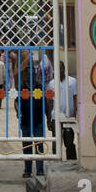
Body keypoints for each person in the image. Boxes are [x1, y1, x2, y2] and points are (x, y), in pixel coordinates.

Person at [15, 49, 48, 178]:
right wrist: (19, 113)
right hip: (26, 121)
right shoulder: (22, 87)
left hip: (38, 120)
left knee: (39, 145)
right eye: (28, 72)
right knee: (27, 146)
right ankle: (27, 170)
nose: (30, 75)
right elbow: (17, 102)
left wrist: (48, 116)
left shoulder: (40, 87)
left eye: (32, 72)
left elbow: (45, 103)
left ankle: (40, 170)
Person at [48, 62, 78, 160]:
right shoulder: (51, 84)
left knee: (69, 142)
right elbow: (49, 102)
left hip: (68, 116)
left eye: (61, 68)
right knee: (56, 141)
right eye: (57, 69)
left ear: (64, 69)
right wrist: (49, 119)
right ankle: (56, 161)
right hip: (55, 116)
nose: (59, 71)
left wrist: (74, 114)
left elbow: (75, 98)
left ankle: (71, 161)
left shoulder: (72, 81)